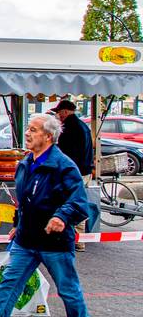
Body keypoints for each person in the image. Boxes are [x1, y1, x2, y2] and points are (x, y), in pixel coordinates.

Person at [0, 113, 96, 317]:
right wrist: (17, 223)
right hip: (27, 238)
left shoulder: (63, 166)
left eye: (33, 130)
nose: (27, 133)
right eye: (29, 129)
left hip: (54, 241)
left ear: (48, 136)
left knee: (67, 287)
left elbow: (79, 202)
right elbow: (24, 200)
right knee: (10, 282)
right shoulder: (26, 163)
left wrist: (60, 217)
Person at [51, 99, 95, 250]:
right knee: (76, 201)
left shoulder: (70, 127)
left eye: (59, 113)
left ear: (65, 111)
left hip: (76, 171)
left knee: (74, 202)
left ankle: (77, 240)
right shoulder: (83, 125)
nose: (58, 116)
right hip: (85, 170)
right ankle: (76, 238)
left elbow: (64, 153)